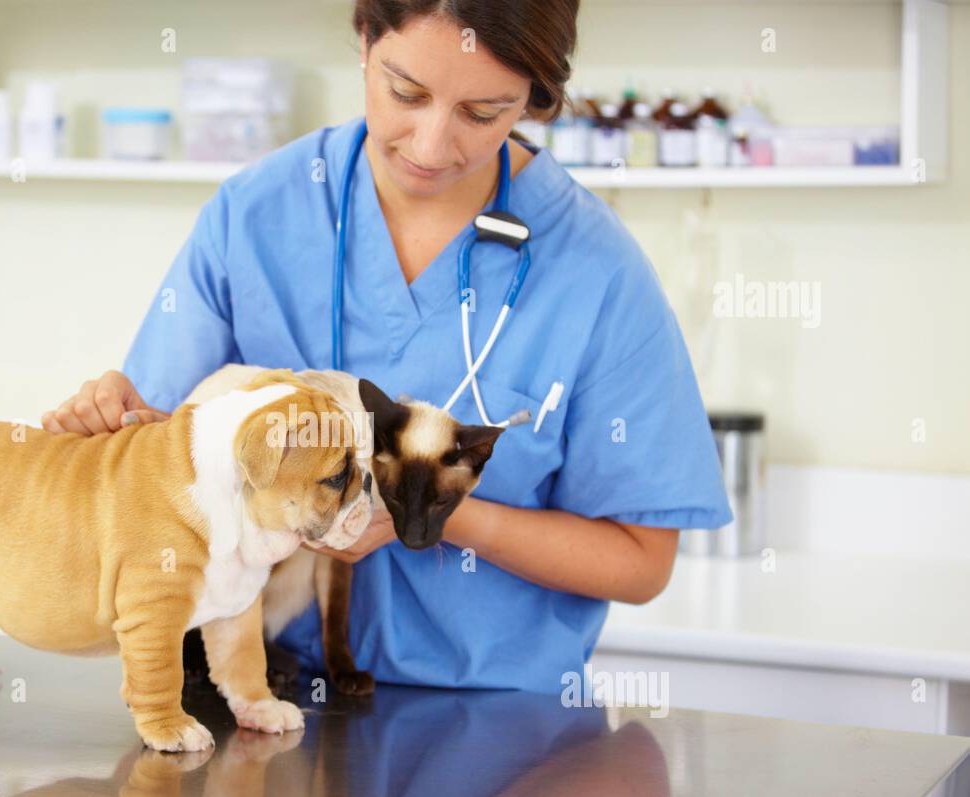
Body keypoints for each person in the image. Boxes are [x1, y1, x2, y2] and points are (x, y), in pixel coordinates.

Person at [42, 0, 732, 692]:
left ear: (534, 99)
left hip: (498, 740)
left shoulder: (595, 269)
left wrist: (430, 512)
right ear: (366, 39)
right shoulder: (258, 215)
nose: (431, 147)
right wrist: (112, 428)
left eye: (483, 113)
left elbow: (642, 562)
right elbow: (160, 451)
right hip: (249, 694)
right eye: (406, 93)